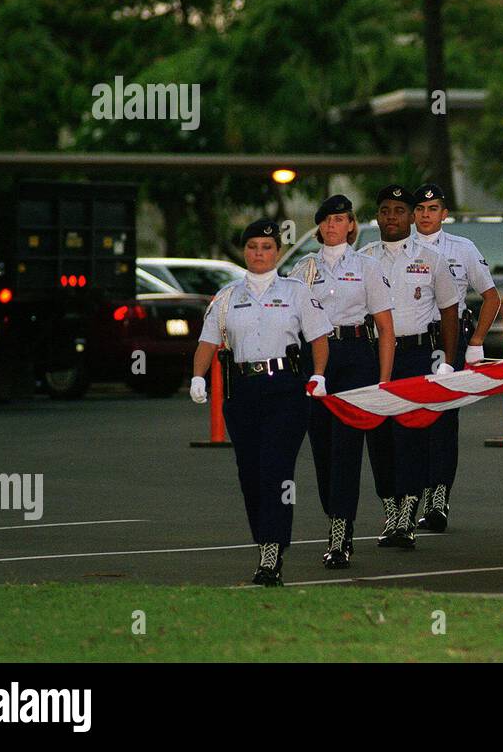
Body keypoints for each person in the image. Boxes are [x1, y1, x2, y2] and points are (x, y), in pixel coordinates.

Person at [189, 219, 331, 586]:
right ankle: (263, 543)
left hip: (285, 389)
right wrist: (197, 376)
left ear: (278, 252)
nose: (259, 254)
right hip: (244, 391)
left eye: (266, 247)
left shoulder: (297, 290)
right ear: (243, 251)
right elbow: (208, 341)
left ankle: (272, 551)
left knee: (275, 470)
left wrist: (319, 374)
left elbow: (318, 337)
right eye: (252, 247)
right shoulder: (227, 296)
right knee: (250, 474)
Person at [290, 194, 396, 569]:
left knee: (347, 446)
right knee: (321, 445)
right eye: (327, 221)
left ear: (352, 225)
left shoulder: (367, 266)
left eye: (340, 220)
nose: (333, 226)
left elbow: (385, 327)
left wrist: (383, 381)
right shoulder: (304, 269)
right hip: (316, 358)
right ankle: (335, 516)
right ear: (319, 227)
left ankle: (340, 533)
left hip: (355, 356)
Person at [357, 185, 460, 549]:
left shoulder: (431, 258)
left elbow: (450, 312)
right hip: (375, 354)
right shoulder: (364, 258)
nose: (392, 217)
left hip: (417, 354)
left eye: (399, 211)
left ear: (411, 216)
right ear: (377, 216)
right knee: (379, 435)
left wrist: (448, 360)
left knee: (410, 436)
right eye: (385, 210)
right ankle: (391, 509)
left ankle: (407, 516)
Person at [411, 182, 500, 532]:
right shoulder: (402, 248)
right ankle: (410, 497)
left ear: (444, 214)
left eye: (433, 209)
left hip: (447, 339)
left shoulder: (462, 248)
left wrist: (477, 339)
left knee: (443, 419)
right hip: (411, 341)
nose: (426, 215)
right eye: (420, 209)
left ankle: (438, 498)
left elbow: (491, 297)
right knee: (411, 417)